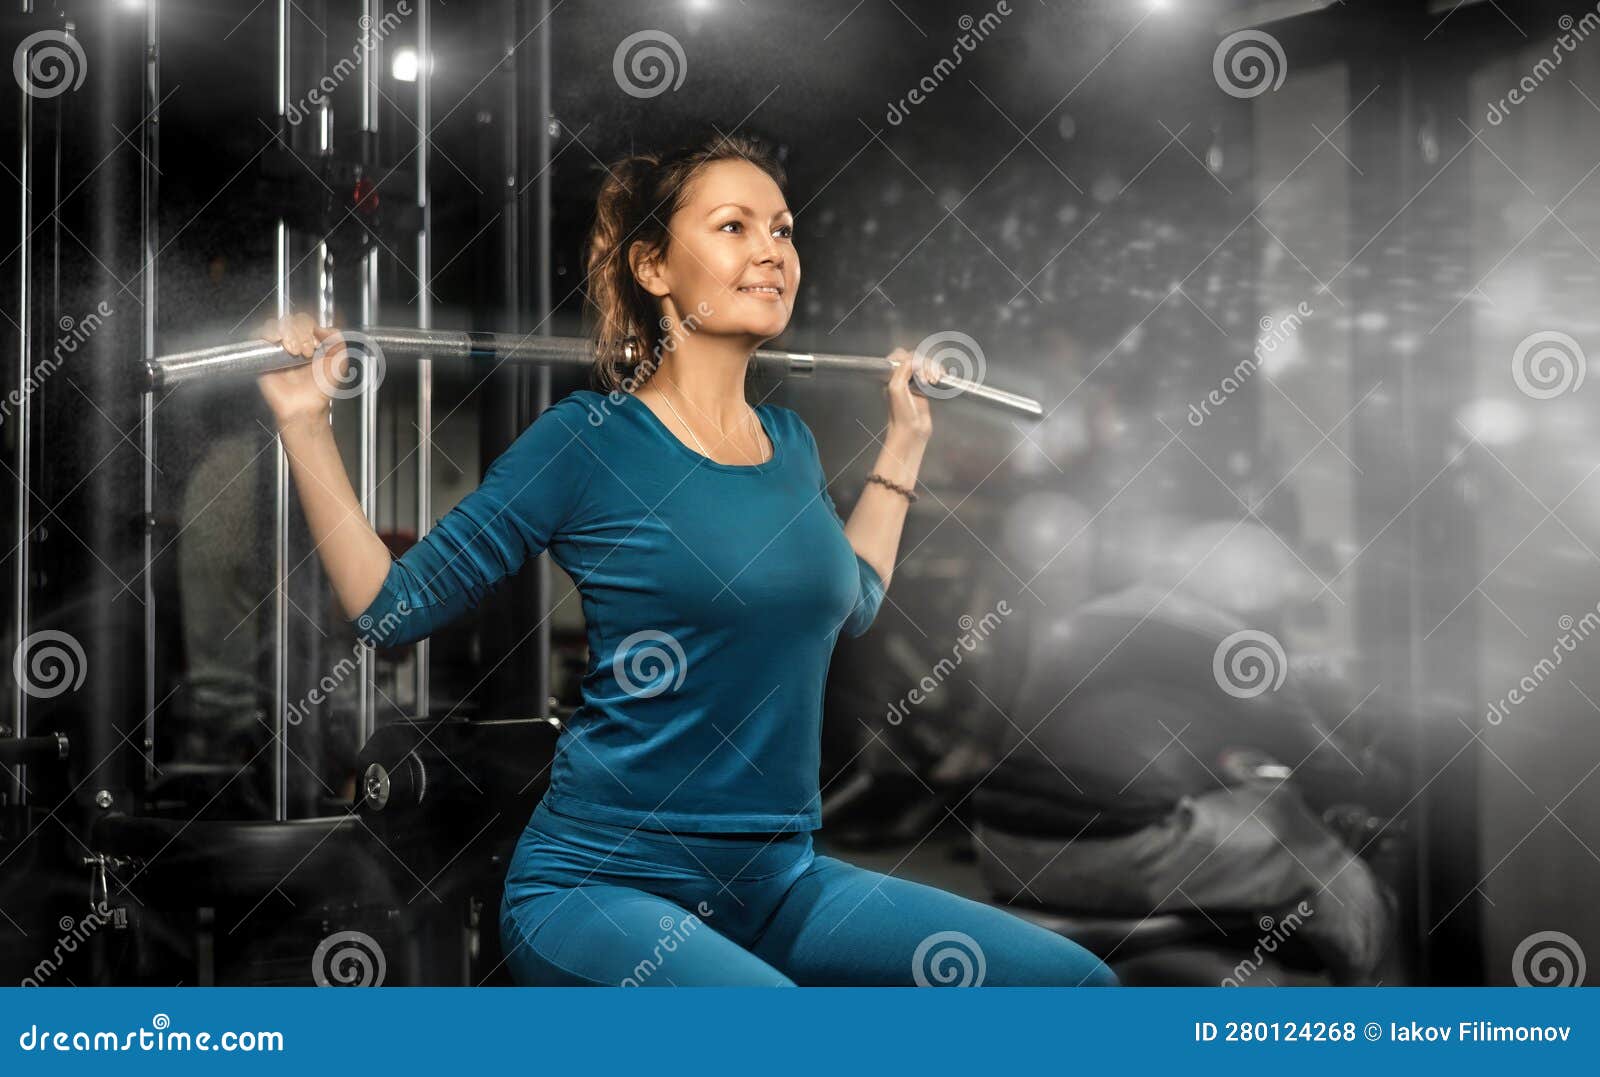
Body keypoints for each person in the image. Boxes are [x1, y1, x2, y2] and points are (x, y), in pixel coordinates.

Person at [254, 131, 1117, 987]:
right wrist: (303, 421)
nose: (772, 251)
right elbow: (389, 605)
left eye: (782, 229)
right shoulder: (586, 445)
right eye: (734, 227)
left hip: (782, 882)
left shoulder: (790, 444)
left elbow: (849, 601)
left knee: (1076, 988)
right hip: (602, 886)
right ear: (654, 268)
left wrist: (907, 440)